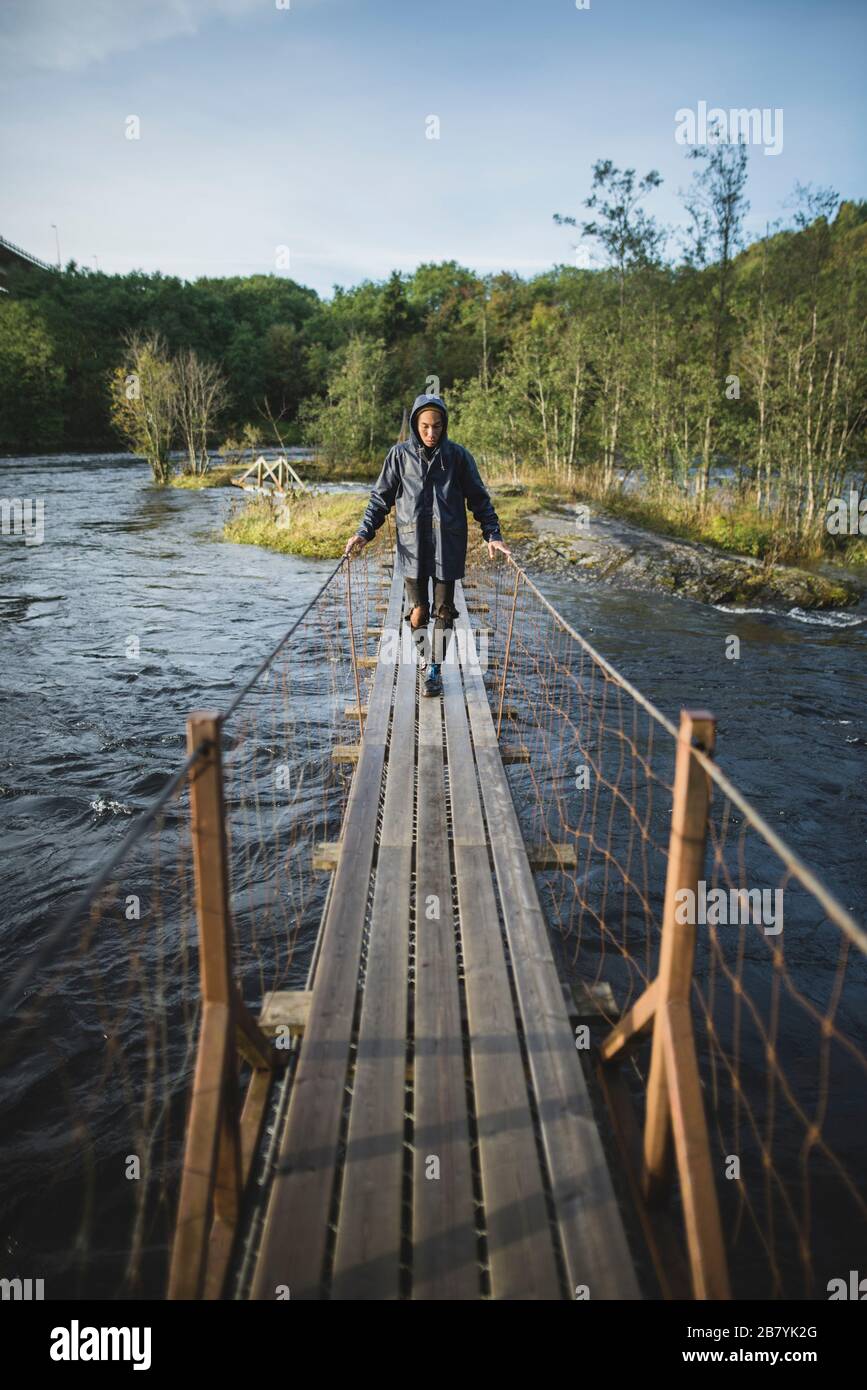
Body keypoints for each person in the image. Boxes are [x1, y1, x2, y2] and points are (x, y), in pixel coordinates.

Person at [343, 392, 510, 696]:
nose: (431, 433)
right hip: (412, 547)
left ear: (444, 425)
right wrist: (364, 533)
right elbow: (380, 500)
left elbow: (479, 499)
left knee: (445, 611)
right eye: (425, 427)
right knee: (419, 612)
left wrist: (493, 534)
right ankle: (424, 656)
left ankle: (434, 667)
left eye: (436, 426)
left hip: (449, 545)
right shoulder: (399, 456)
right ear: (415, 426)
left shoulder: (458, 457)